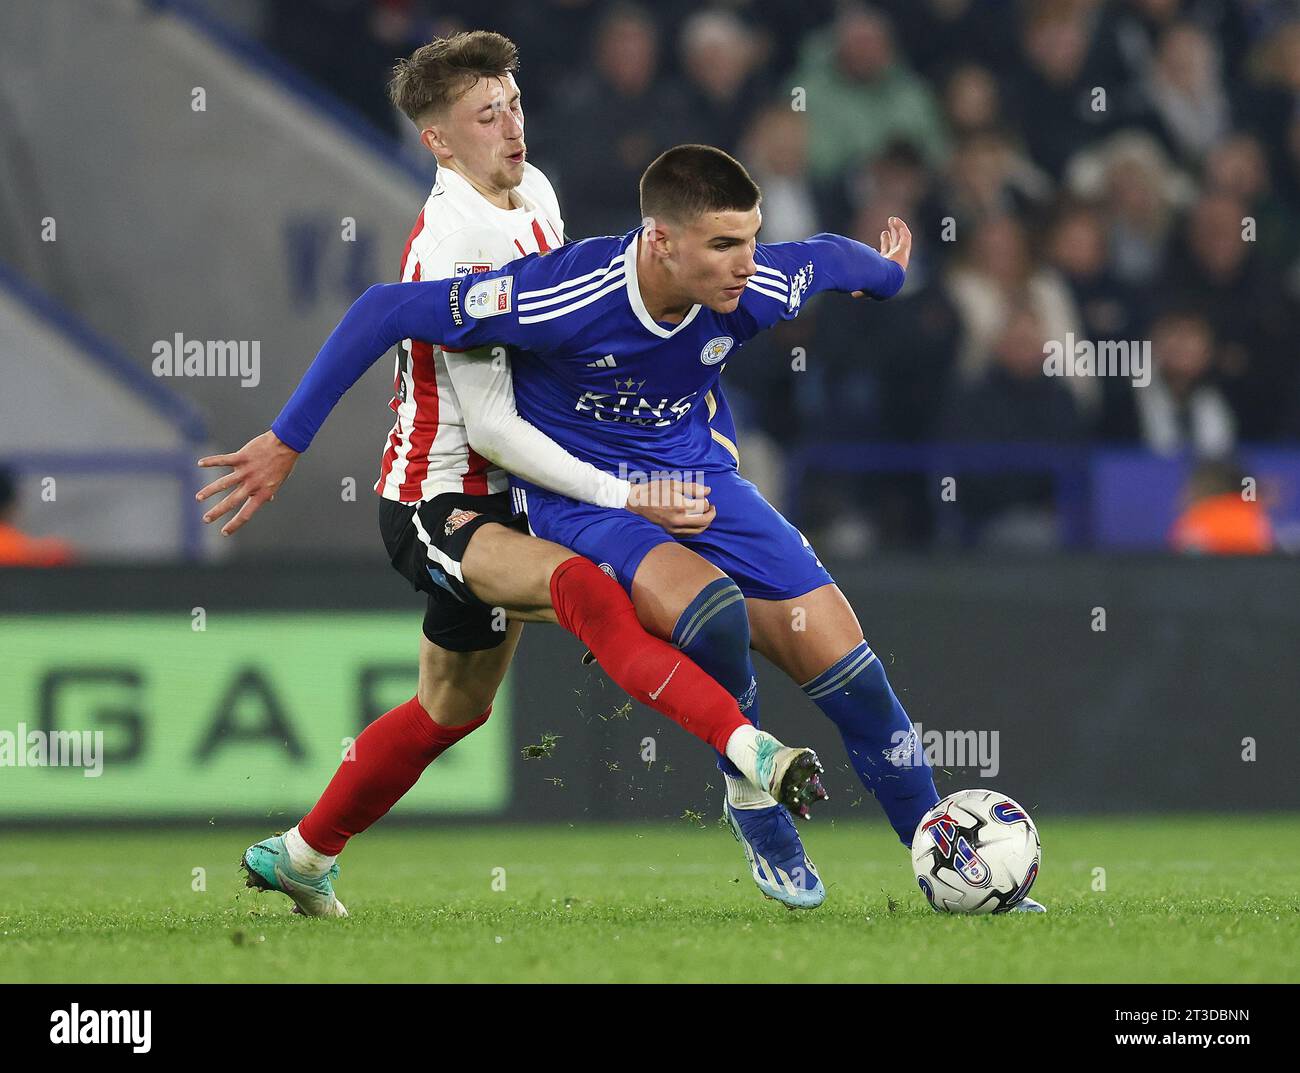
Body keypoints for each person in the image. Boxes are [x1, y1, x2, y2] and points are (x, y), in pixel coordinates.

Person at [270, 143, 1047, 913]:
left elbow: (830, 260)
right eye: (723, 245)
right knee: (713, 612)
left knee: (854, 674)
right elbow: (381, 311)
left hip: (700, 481)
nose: (746, 263)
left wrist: (889, 276)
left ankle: (952, 863)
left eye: (749, 238)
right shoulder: (563, 294)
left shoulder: (753, 285)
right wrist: (286, 440)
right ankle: (751, 788)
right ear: (660, 241)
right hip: (587, 501)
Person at [196, 35, 825, 918]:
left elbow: (566, 362)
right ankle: (749, 751)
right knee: (585, 589)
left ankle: (302, 853)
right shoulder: (454, 239)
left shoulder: (535, 194)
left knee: (449, 710)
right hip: (440, 497)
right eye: (485, 116)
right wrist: (621, 491)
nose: (512, 127)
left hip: (521, 490)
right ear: (439, 143)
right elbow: (489, 421)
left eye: (515, 104)